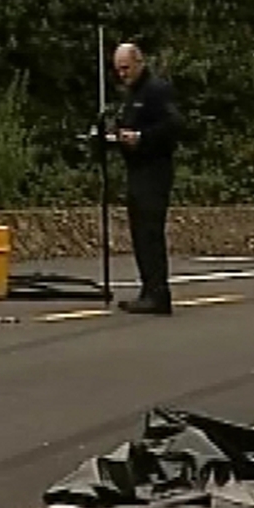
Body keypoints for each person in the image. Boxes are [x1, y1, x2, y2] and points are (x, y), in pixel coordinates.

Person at [111, 42, 184, 315]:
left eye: (126, 68)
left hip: (155, 170)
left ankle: (159, 292)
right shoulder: (131, 94)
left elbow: (174, 126)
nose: (122, 74)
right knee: (139, 231)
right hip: (137, 170)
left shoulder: (156, 90)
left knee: (151, 231)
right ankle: (148, 288)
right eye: (118, 70)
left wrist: (141, 138)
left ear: (139, 63)